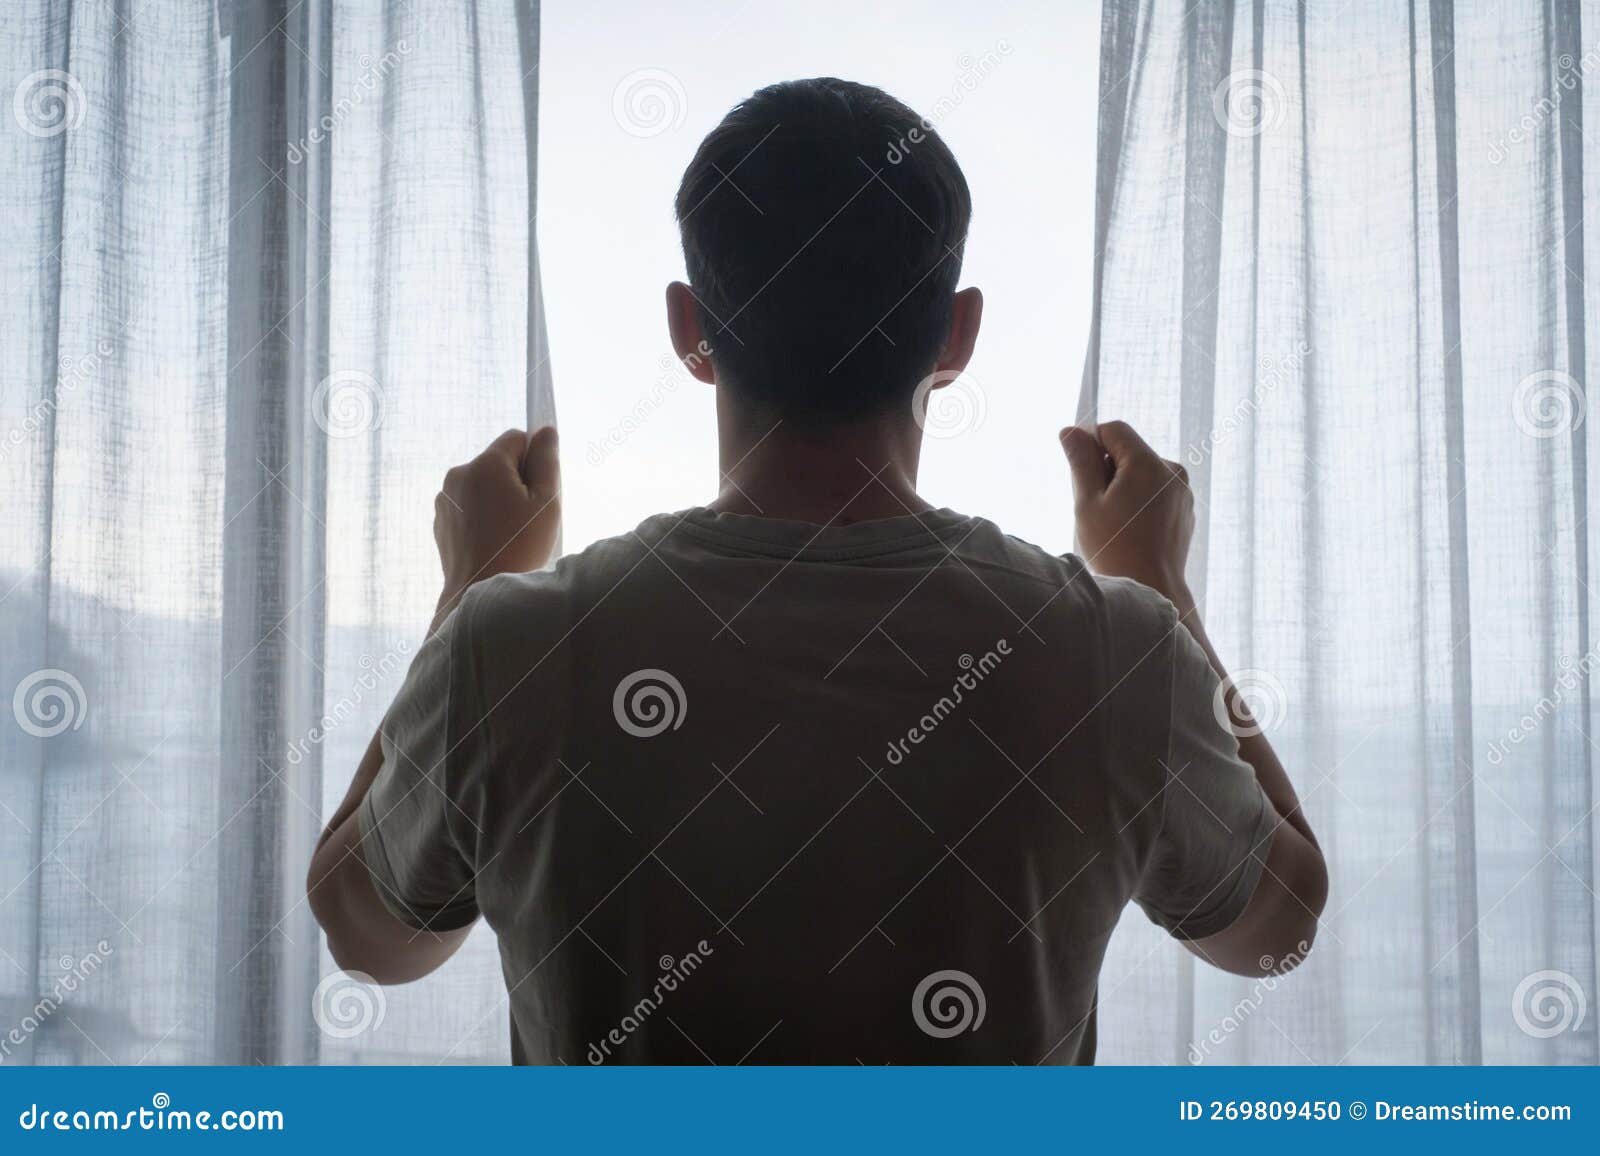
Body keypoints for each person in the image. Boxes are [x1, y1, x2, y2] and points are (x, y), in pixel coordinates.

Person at [307, 78, 1327, 1064]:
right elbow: (1275, 930)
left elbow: (370, 939)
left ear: (689, 329)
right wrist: (1161, 588)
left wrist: (469, 588)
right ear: (959, 334)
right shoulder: (1114, 651)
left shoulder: (512, 647)